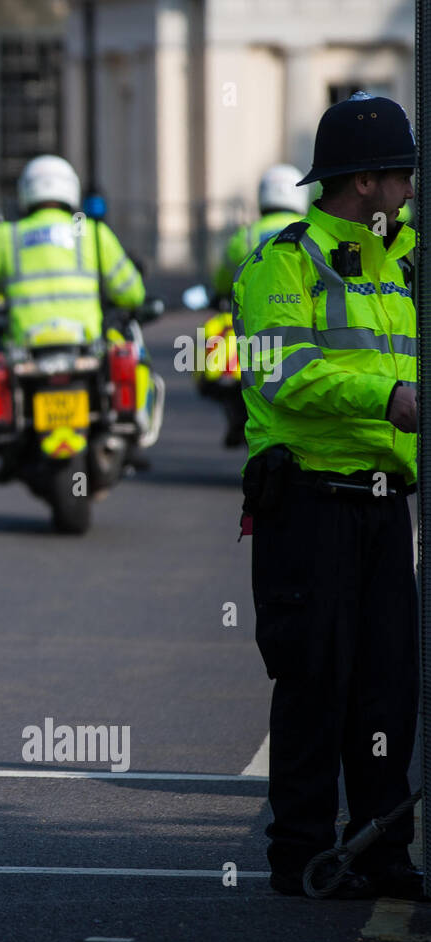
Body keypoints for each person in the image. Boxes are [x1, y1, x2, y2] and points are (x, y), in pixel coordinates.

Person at [234, 92, 420, 900]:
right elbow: (284, 373)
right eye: (403, 172)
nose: (413, 185)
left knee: (387, 681)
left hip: (385, 504)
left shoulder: (407, 259)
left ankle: (382, 847)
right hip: (309, 504)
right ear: (367, 181)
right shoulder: (286, 261)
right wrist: (389, 401)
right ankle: (300, 851)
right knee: (314, 679)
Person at [0, 154, 144, 348]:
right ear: (71, 188)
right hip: (87, 346)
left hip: (23, 347)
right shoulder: (91, 231)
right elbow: (132, 293)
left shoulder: (7, 235)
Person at [212, 164, 308, 302]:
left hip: (257, 318)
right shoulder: (311, 229)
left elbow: (224, 281)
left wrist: (219, 294)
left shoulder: (245, 236)